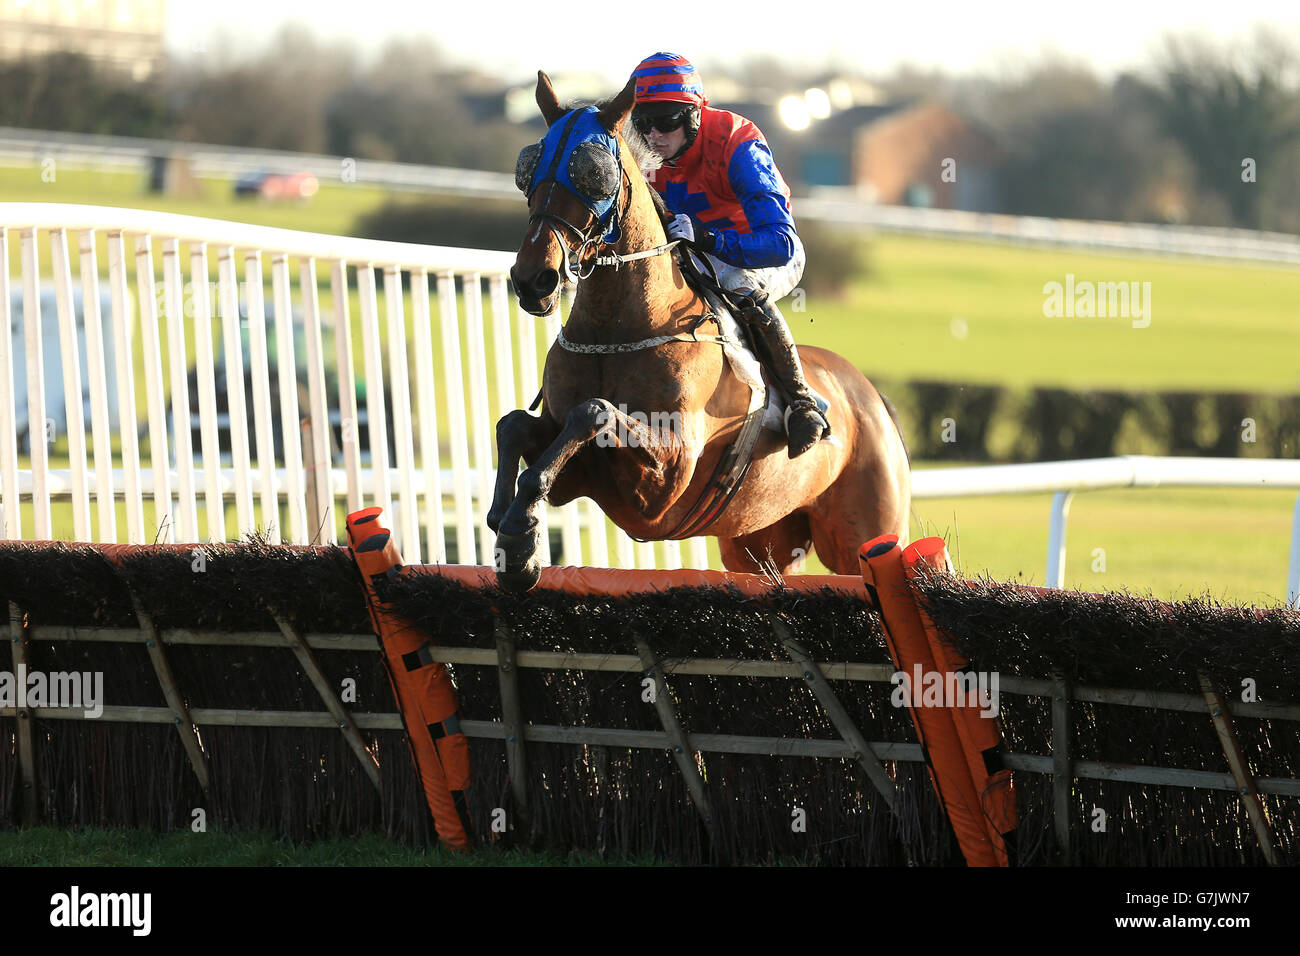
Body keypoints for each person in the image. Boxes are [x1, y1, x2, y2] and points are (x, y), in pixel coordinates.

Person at [631, 51, 829, 458]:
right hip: (692, 250)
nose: (653, 135)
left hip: (759, 252)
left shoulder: (738, 143)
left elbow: (780, 243)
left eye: (667, 119)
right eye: (643, 120)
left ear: (694, 114)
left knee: (736, 282)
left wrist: (710, 239)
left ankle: (801, 403)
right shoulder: (641, 149)